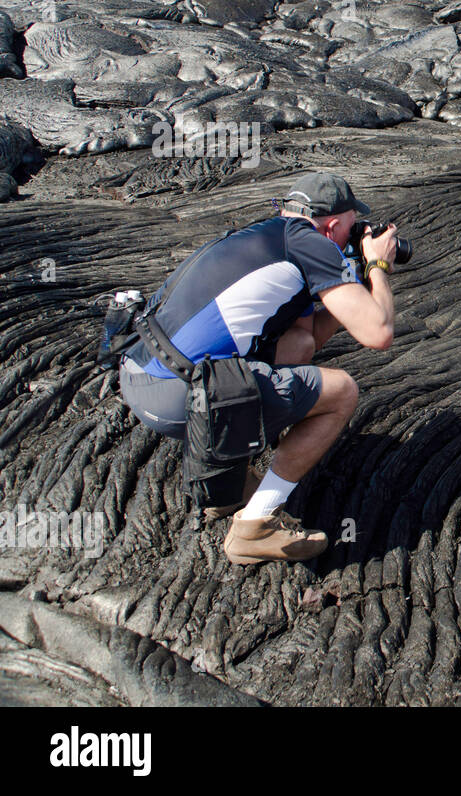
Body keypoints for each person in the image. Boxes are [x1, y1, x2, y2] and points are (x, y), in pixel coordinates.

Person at [118, 172, 399, 566]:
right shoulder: (314, 245)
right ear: (334, 225)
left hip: (138, 375)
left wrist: (349, 278)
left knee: (296, 347)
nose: (358, 234)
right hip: (181, 395)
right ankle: (255, 525)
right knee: (342, 392)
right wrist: (378, 263)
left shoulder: (270, 236)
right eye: (354, 226)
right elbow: (379, 332)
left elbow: (308, 338)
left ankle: (225, 488)